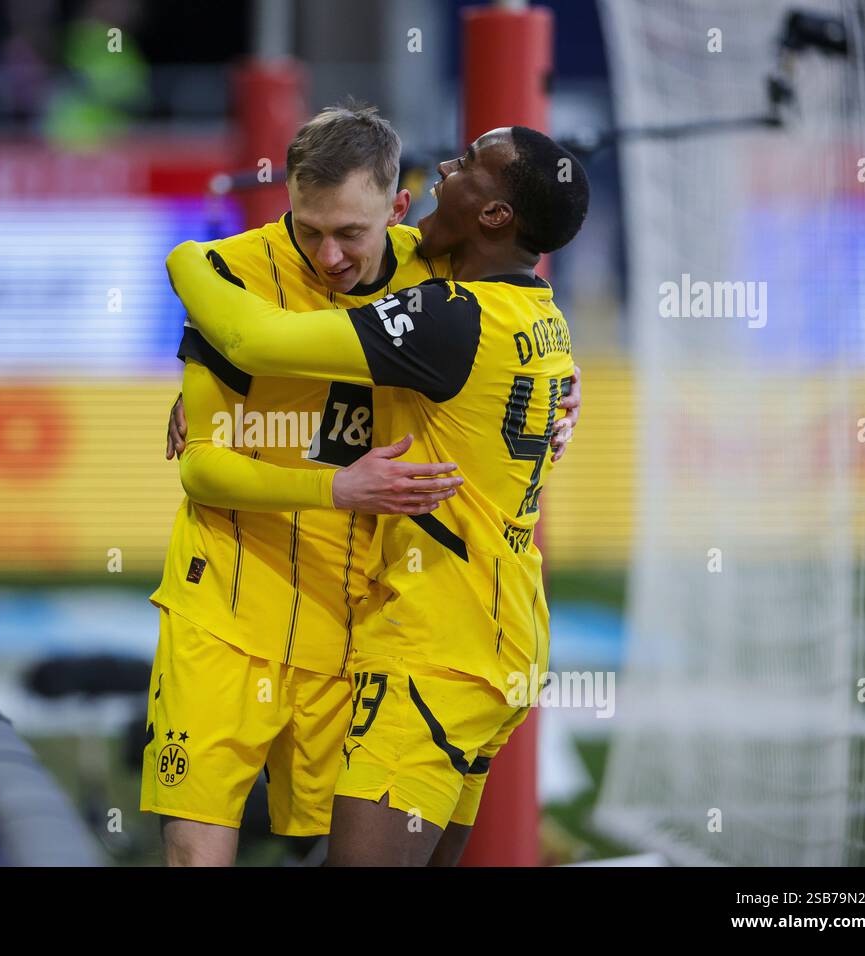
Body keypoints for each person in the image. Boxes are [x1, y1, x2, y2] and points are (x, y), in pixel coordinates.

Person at [143, 105, 582, 865]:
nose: (329, 255)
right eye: (309, 228)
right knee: (194, 855)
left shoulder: (438, 277)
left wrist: (568, 393)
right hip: (227, 607)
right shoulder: (237, 272)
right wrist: (333, 489)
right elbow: (201, 464)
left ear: (397, 210)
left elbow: (503, 336)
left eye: (351, 232)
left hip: (371, 626)